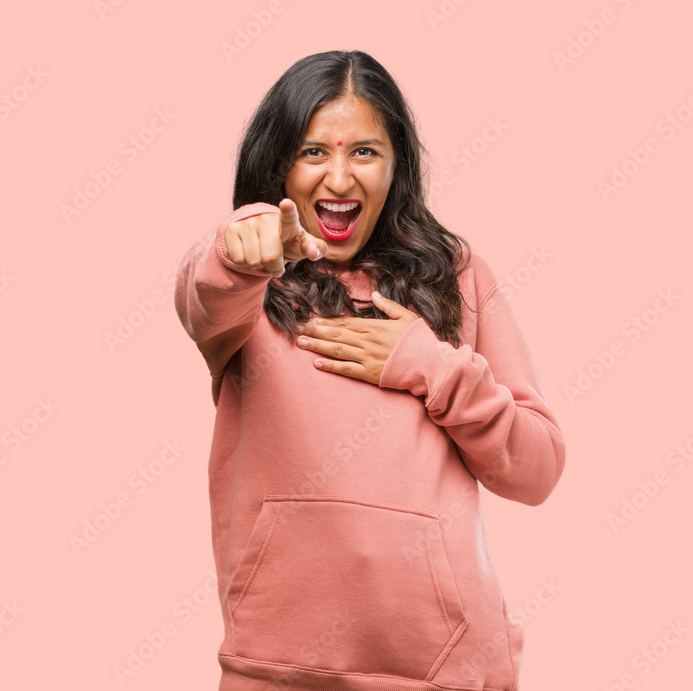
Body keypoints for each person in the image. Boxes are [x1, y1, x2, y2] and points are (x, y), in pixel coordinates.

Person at [174, 49, 566, 690]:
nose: (338, 177)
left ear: (396, 166)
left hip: (447, 671)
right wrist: (240, 245)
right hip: (280, 668)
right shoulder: (244, 284)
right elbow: (205, 290)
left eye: (364, 152)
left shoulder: (456, 275)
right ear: (277, 163)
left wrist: (434, 368)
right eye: (312, 152)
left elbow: (538, 469)